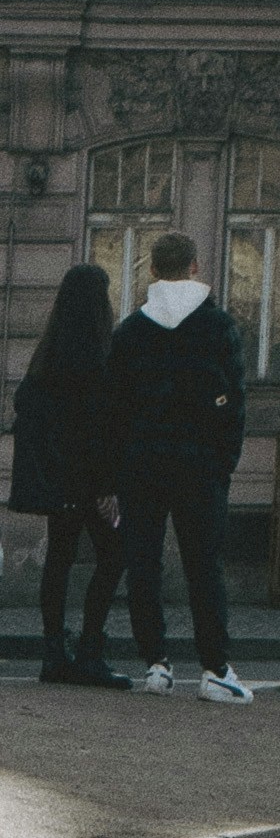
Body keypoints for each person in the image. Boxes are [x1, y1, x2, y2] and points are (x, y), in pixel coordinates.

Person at [106, 232, 252, 699]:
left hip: (141, 464)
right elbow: (235, 404)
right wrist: (224, 463)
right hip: (200, 466)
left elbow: (116, 409)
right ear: (194, 266)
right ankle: (214, 668)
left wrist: (115, 471)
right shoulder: (218, 326)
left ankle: (156, 664)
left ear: (152, 270)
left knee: (143, 565)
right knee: (204, 567)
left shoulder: (130, 331)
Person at [12, 261, 126, 684]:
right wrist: (107, 487)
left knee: (59, 561)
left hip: (60, 487)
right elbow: (99, 431)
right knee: (115, 554)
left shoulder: (48, 360)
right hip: (93, 486)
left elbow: (31, 415)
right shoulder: (97, 359)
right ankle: (89, 650)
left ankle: (54, 652)